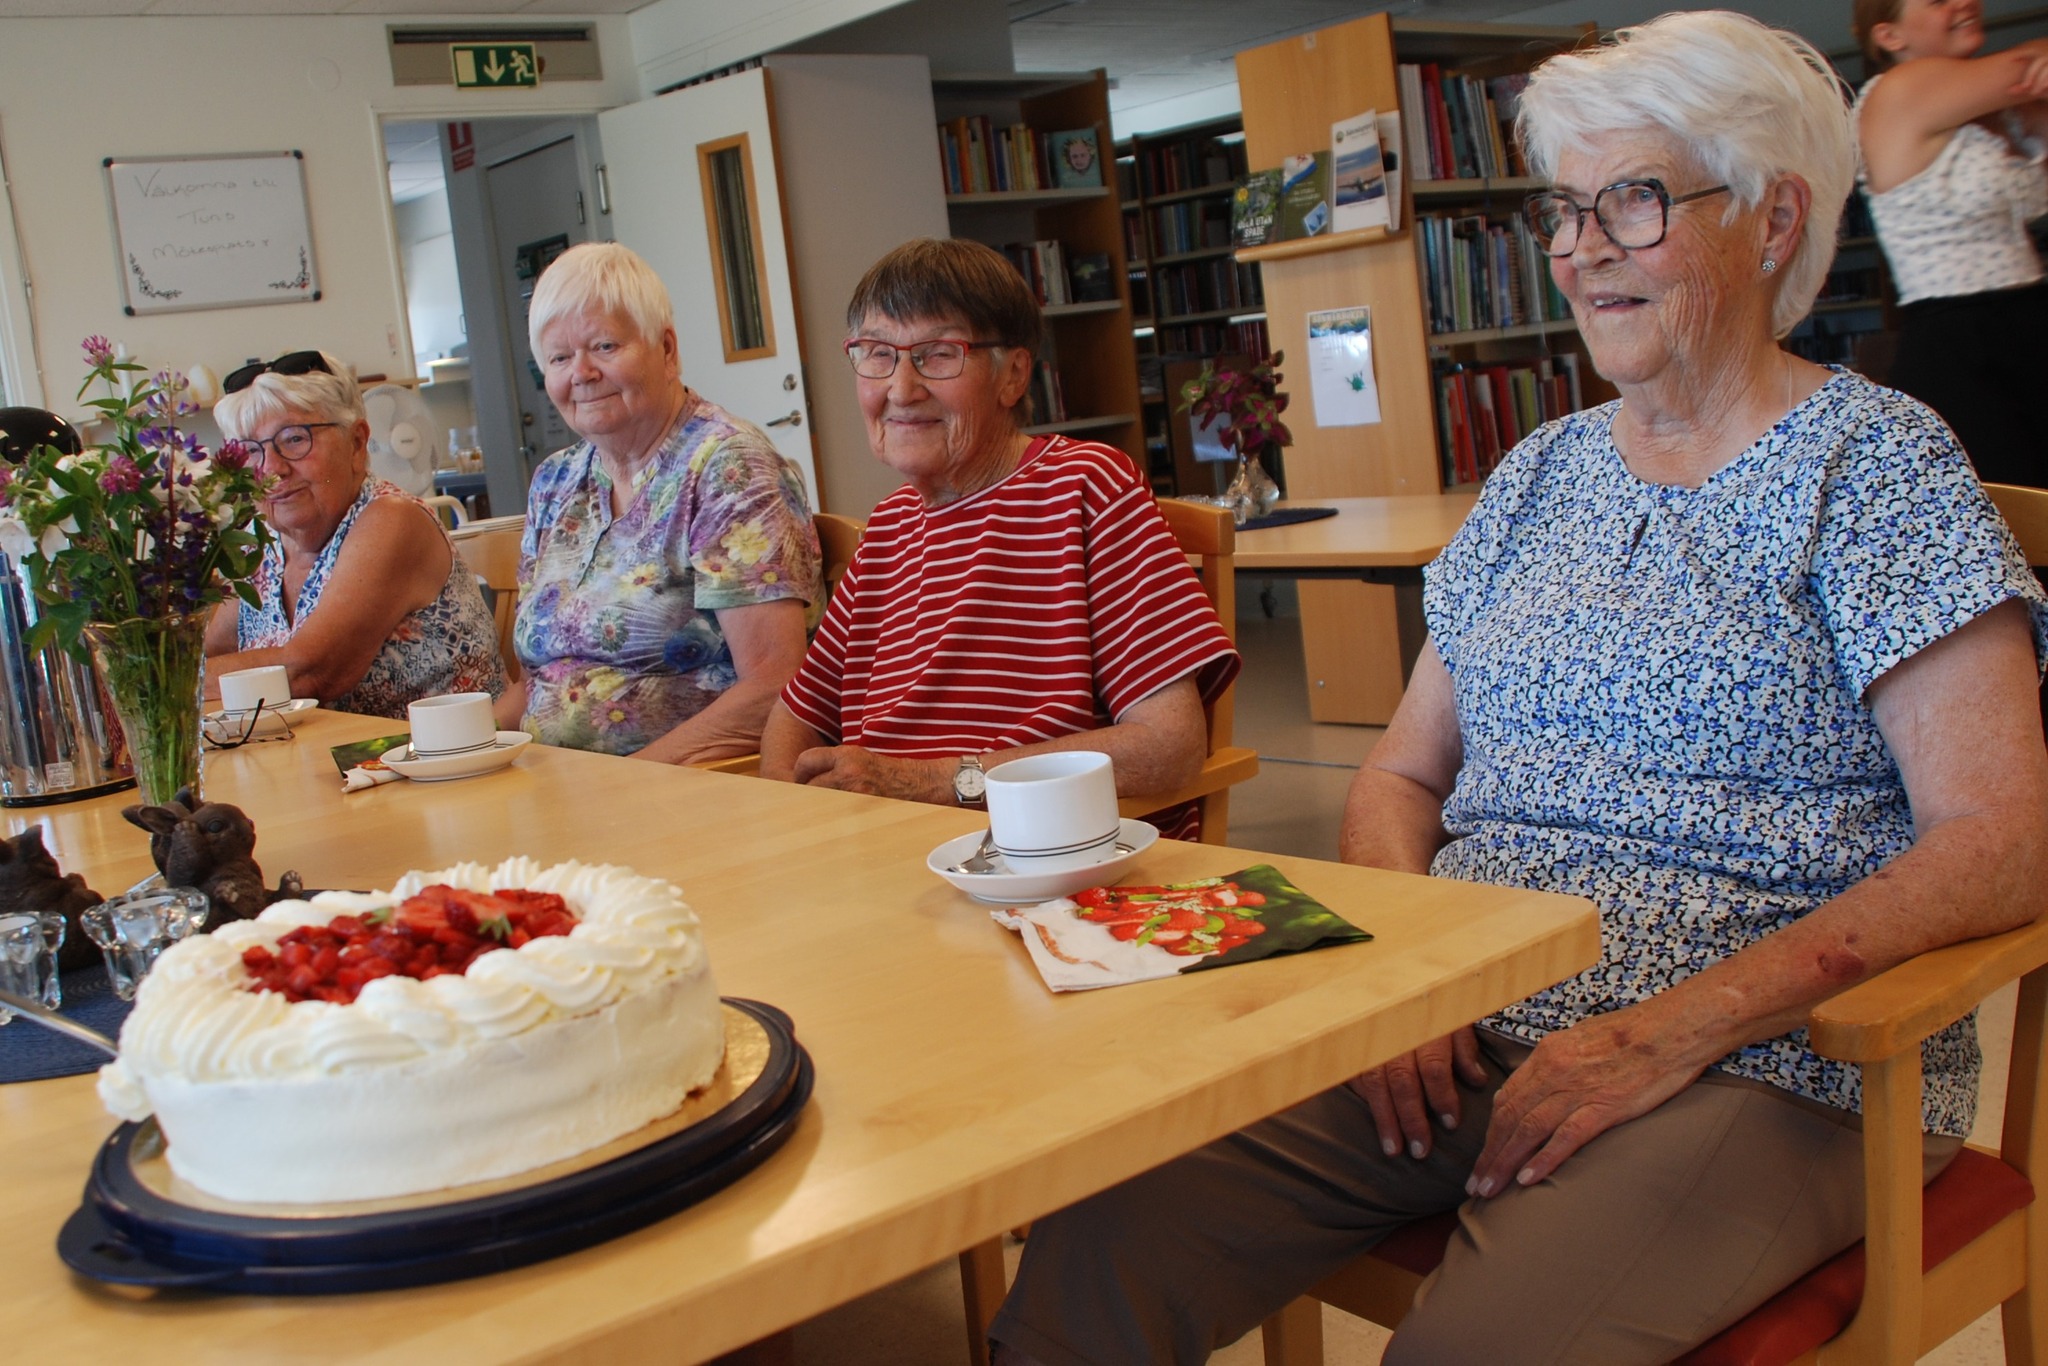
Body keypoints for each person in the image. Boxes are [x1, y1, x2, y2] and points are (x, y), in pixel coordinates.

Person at [990, 14, 2048, 1364]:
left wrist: (1666, 1031)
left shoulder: (1879, 465)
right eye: (1566, 206)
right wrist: (1410, 980)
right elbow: (1401, 775)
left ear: (1777, 219)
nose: (1580, 245)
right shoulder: (1541, 475)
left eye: (1637, 199)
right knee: (1102, 1231)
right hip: (1470, 1019)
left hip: (1777, 1058)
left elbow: (2003, 839)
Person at [760, 238, 1237, 835]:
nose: (901, 390)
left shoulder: (1086, 488)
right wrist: (789, 819)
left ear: (1012, 374)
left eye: (938, 354)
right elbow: (795, 716)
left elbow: (1169, 746)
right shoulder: (890, 525)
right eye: (878, 354)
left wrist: (936, 784)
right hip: (881, 852)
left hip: (1042, 857)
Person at [499, 242, 821, 763]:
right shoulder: (555, 481)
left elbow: (774, 688)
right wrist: (437, 752)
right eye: (559, 358)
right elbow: (534, 684)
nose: (581, 372)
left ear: (667, 350)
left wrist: (624, 784)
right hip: (550, 786)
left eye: (605, 346)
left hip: (684, 793)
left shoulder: (727, 467)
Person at [206, 351, 504, 720]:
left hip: (441, 761)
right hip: (323, 764)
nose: (272, 469)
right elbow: (198, 650)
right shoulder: (259, 541)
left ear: (357, 442)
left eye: (295, 439)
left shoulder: (392, 519)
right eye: (251, 450)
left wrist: (159, 686)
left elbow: (308, 671)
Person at [1853, 0, 2048, 488]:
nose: (1965, 2)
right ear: (1890, 37)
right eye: (1938, 0)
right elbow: (2025, 67)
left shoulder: (1985, 113)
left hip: (2025, 318)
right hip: (1961, 343)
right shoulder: (1902, 89)